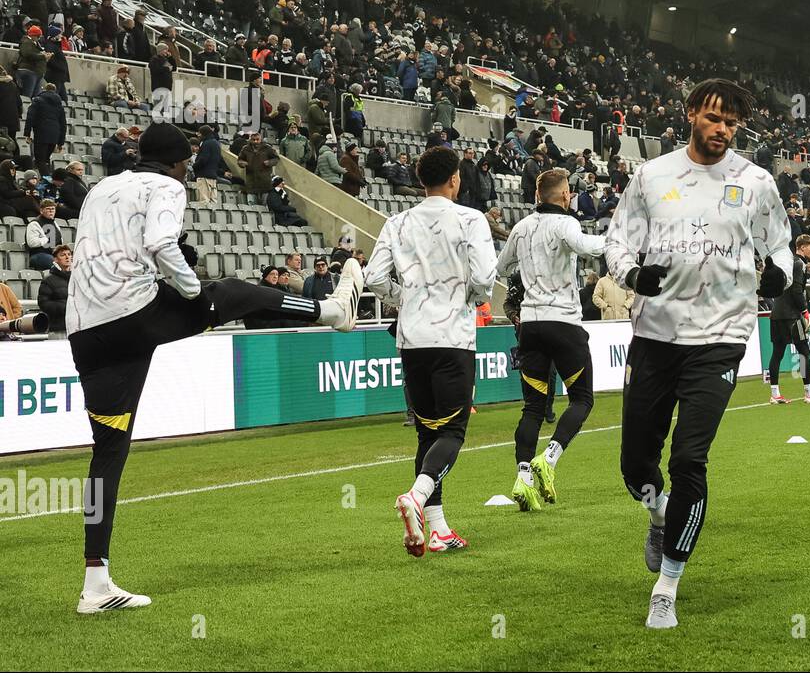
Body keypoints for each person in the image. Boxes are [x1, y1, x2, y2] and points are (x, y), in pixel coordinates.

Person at [67, 121, 363, 613]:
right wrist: (190, 292)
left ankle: (95, 582)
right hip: (132, 314)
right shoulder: (164, 184)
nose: (186, 172)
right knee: (227, 293)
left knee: (108, 454)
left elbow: (108, 250)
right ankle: (332, 312)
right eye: (186, 164)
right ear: (179, 162)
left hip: (87, 329)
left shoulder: (102, 187)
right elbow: (162, 244)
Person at [604, 79, 792, 629]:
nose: (723, 130)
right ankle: (658, 512)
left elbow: (779, 244)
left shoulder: (756, 182)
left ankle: (668, 584)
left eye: (732, 123)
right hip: (656, 335)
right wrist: (632, 273)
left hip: (722, 336)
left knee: (689, 457)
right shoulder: (651, 175)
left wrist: (780, 271)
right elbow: (617, 240)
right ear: (690, 114)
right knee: (635, 463)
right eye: (714, 118)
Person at [366, 147, 495, 557]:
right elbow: (484, 276)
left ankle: (437, 529)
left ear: (422, 180)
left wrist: (402, 298)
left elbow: (372, 276)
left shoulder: (398, 221)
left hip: (413, 338)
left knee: (427, 432)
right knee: (453, 431)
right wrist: (473, 298)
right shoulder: (470, 219)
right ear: (455, 179)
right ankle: (417, 498)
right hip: (453, 337)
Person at [496, 168, 605, 511]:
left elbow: (499, 268)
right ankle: (550, 459)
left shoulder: (521, 227)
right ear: (563, 196)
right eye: (569, 191)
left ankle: (523, 477)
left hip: (530, 325)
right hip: (563, 322)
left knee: (531, 407)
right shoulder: (565, 223)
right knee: (582, 399)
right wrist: (618, 241)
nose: (571, 195)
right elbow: (588, 247)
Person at [768, 235, 810, 404]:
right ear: (802, 248)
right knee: (804, 353)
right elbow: (796, 291)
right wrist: (805, 312)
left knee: (777, 353)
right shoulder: (799, 264)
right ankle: (809, 394)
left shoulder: (786, 262)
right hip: (792, 316)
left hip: (777, 314)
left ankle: (775, 394)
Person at [23, 82, 66, 176]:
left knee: (40, 161)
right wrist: (60, 142)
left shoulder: (37, 100)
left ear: (44, 89)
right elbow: (63, 124)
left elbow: (30, 117)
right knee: (46, 160)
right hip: (54, 135)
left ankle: (48, 182)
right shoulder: (59, 105)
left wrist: (27, 133)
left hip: (41, 133)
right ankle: (47, 180)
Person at [38, 243, 73, 337]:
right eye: (63, 255)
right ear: (56, 259)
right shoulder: (48, 280)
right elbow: (43, 304)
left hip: (77, 328)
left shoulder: (77, 278)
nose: (67, 257)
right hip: (58, 329)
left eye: (69, 254)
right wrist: (66, 306)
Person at [26, 198, 62, 270]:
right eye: (48, 209)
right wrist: (46, 239)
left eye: (53, 209)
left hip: (53, 254)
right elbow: (31, 242)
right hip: (38, 254)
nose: (51, 211)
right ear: (41, 211)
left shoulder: (55, 224)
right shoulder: (34, 224)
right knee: (56, 264)